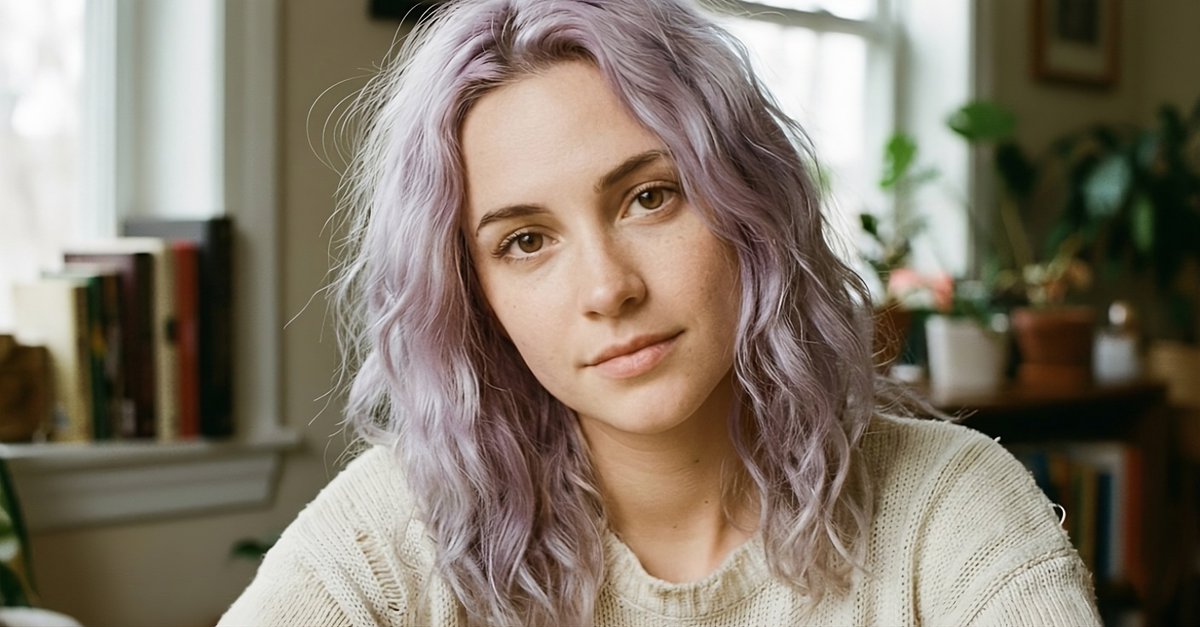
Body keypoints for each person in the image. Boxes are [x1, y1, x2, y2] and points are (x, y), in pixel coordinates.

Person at [220, 0, 1100, 625]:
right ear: (473, 295)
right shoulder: (396, 532)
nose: (608, 288)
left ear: (748, 206)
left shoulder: (947, 509)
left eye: (649, 197)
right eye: (526, 241)